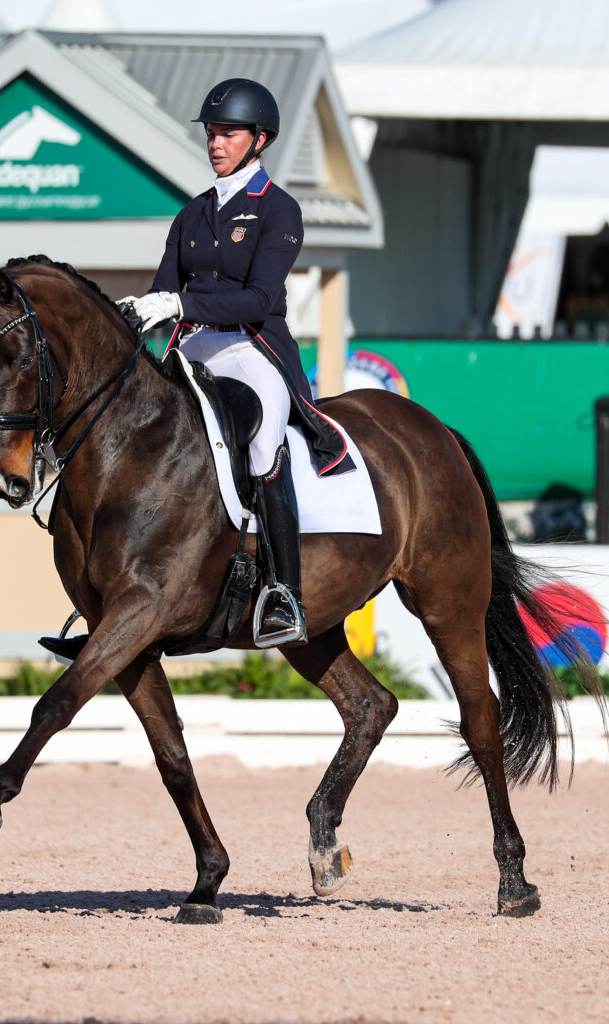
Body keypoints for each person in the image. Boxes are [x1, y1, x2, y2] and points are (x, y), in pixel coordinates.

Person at [120, 78, 353, 647]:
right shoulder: (192, 214)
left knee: (264, 440)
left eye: (228, 133)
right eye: (212, 133)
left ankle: (284, 594)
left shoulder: (278, 210)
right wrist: (140, 313)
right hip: (192, 349)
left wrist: (178, 303)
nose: (216, 143)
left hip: (252, 349)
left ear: (259, 138)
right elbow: (163, 293)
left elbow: (257, 299)